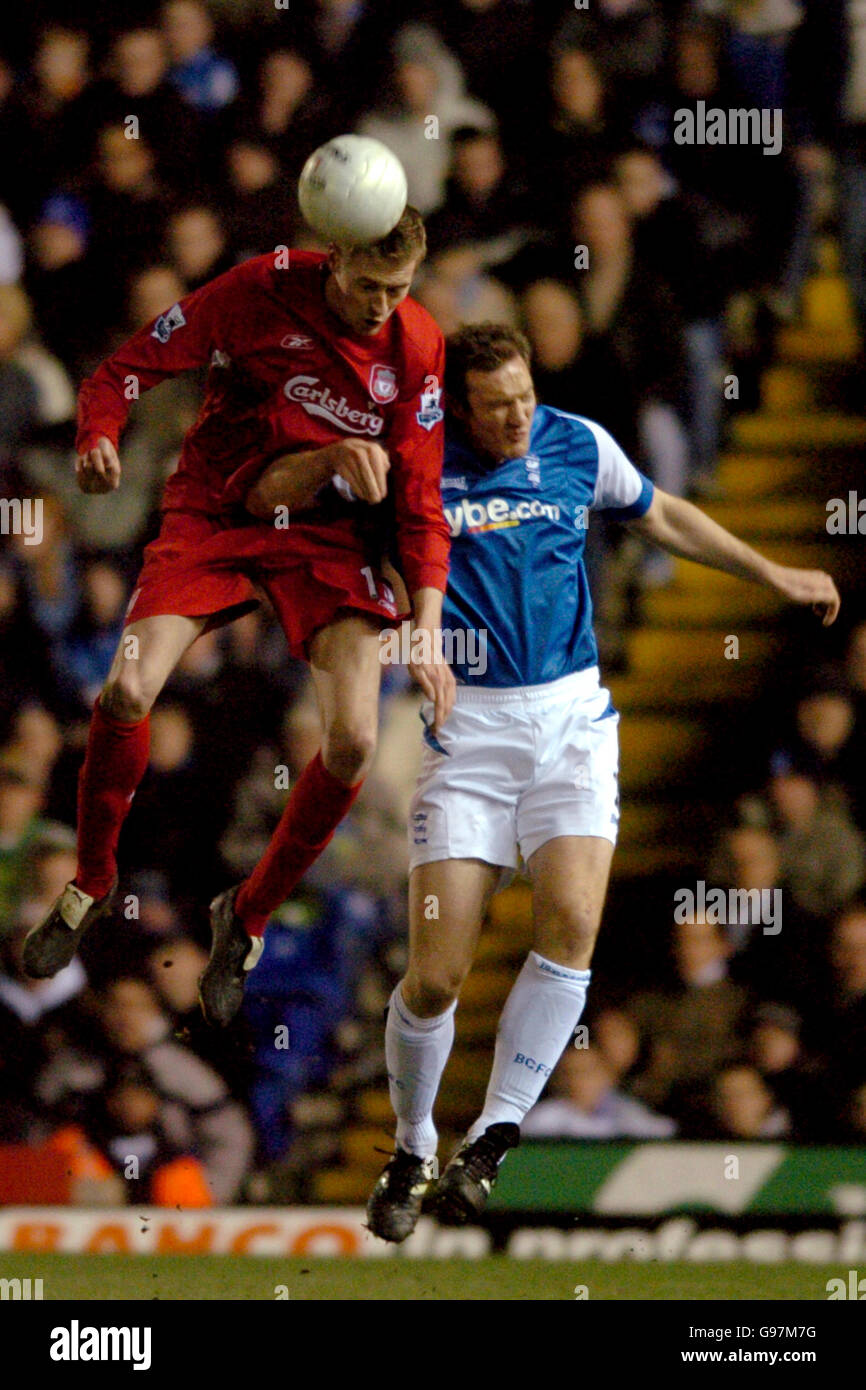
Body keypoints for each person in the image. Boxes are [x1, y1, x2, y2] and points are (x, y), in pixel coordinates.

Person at [339, 321, 834, 1241]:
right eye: (496, 405)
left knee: (571, 925)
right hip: (469, 732)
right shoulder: (419, 470)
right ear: (461, 406)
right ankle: (412, 1146)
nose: (518, 414)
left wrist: (769, 571)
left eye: (524, 394)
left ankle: (488, 1140)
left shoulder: (577, 441)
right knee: (440, 975)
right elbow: (353, 567)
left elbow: (664, 513)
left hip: (570, 724)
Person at [21, 204, 455, 1031]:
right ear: (332, 260)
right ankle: (91, 882)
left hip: (327, 538)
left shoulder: (417, 347)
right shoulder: (259, 288)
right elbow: (123, 371)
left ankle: (246, 917)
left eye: (397, 289)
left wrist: (427, 623)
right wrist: (96, 438)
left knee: (355, 740)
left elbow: (423, 503)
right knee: (125, 690)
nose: (379, 305)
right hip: (219, 508)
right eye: (367, 285)